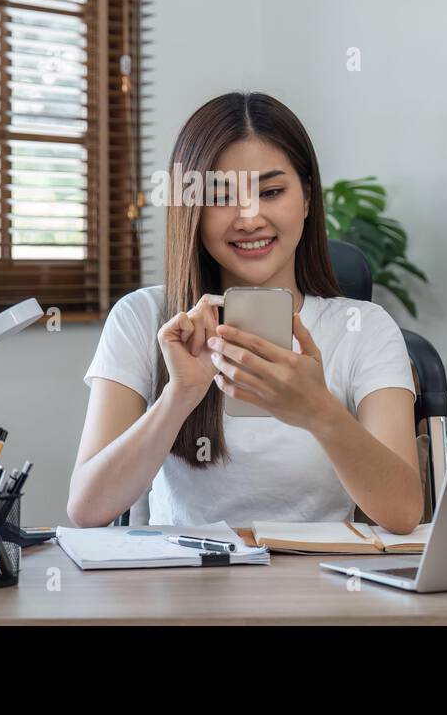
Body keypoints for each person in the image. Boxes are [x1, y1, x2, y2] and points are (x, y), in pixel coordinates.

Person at [68, 91, 423, 533]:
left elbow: (404, 512)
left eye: (271, 192)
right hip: (181, 585)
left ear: (308, 199)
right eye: (221, 197)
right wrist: (179, 395)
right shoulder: (144, 318)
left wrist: (319, 411)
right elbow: (87, 508)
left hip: (316, 589)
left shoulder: (363, 327)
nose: (249, 219)